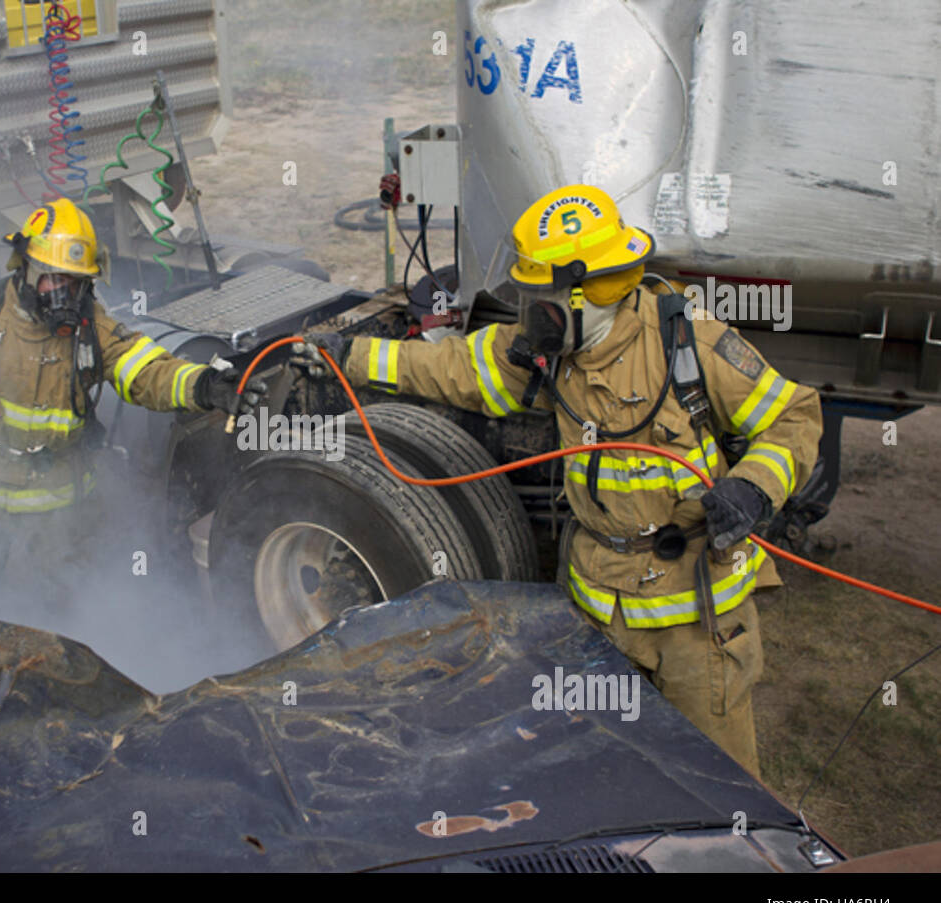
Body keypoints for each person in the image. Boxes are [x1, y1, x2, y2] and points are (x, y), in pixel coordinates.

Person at [296, 184, 822, 776]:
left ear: (587, 292)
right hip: (598, 616)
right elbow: (450, 368)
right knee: (605, 771)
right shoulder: (552, 354)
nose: (528, 316)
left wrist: (754, 486)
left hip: (697, 626)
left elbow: (793, 416)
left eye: (540, 297)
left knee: (717, 787)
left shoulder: (691, 344)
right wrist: (350, 355)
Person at [0, 199, 265, 592]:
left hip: (62, 501)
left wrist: (202, 386)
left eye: (73, 284)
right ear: (23, 269)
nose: (61, 295)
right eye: (49, 280)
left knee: (61, 599)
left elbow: (145, 370)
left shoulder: (93, 328)